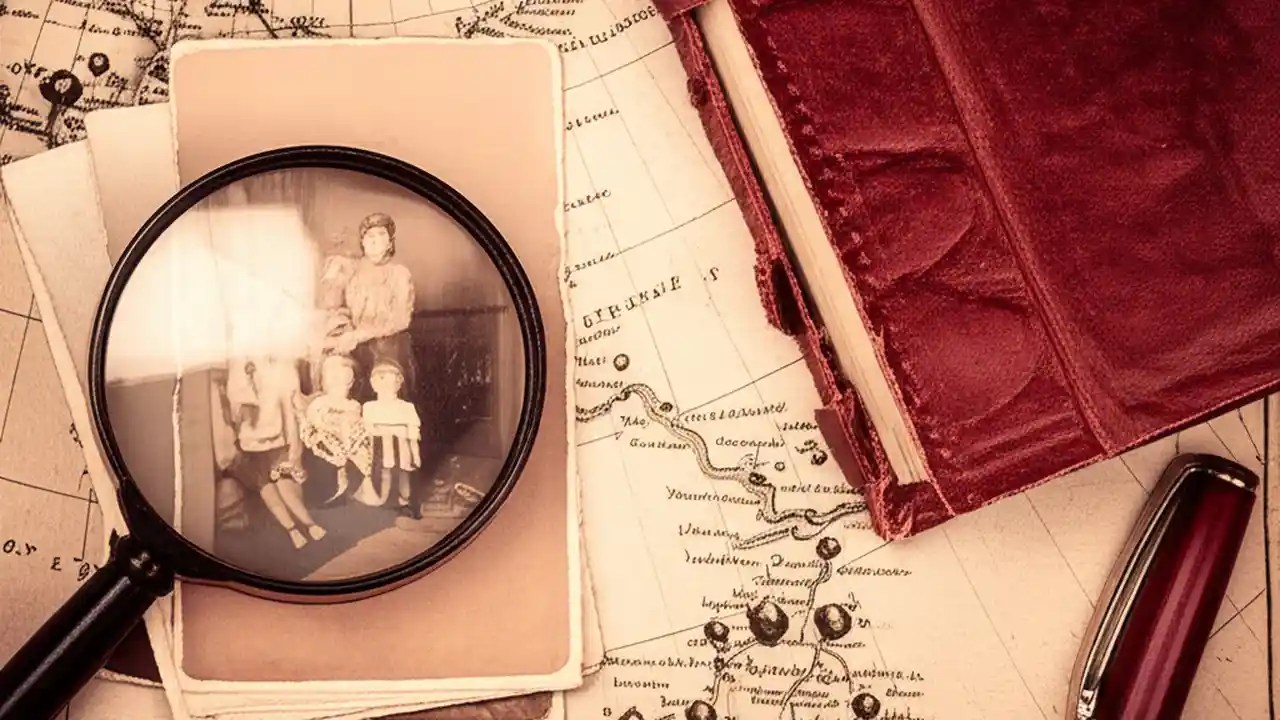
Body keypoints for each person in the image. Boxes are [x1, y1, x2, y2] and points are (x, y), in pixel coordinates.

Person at [225, 356, 326, 549]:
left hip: (278, 438)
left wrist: (313, 401)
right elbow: (236, 407)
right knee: (266, 486)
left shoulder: (284, 367)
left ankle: (309, 523)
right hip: (249, 442)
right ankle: (292, 530)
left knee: (283, 482)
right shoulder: (241, 365)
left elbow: (297, 401)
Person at [324, 212, 416, 403]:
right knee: (337, 375)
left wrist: (361, 335)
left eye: (381, 235)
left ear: (390, 242)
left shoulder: (399, 274)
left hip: (388, 347)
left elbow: (401, 319)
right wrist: (345, 331)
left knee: (385, 382)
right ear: (363, 242)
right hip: (354, 346)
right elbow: (337, 307)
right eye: (370, 236)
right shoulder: (352, 272)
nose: (375, 241)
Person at [297, 354, 371, 505]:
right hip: (326, 448)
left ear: (351, 380)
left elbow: (356, 427)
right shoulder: (319, 403)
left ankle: (355, 486)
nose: (336, 376)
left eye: (342, 371)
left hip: (349, 448)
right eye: (330, 371)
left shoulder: (354, 405)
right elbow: (315, 425)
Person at [361, 359, 422, 509]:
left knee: (404, 473)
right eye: (381, 379)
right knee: (384, 472)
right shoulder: (370, 407)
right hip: (381, 448)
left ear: (399, 383)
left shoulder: (406, 407)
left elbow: (413, 432)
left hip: (403, 447)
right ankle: (383, 499)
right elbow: (368, 431)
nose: (387, 385)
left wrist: (416, 454)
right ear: (373, 384)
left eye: (394, 379)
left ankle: (405, 500)